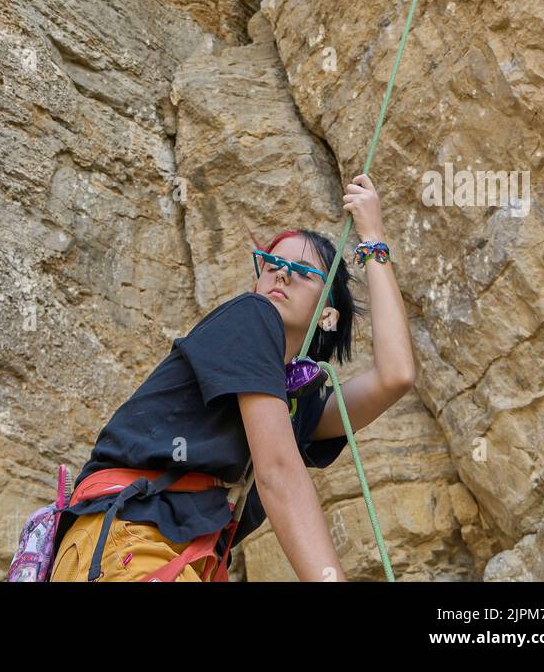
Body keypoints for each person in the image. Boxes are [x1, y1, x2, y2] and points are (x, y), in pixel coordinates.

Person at [48, 172, 415, 582]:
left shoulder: (298, 408)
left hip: (161, 557)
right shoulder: (250, 316)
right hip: (131, 539)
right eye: (273, 262)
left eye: (303, 270)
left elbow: (395, 376)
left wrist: (373, 239)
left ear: (328, 314)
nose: (282, 273)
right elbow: (277, 472)